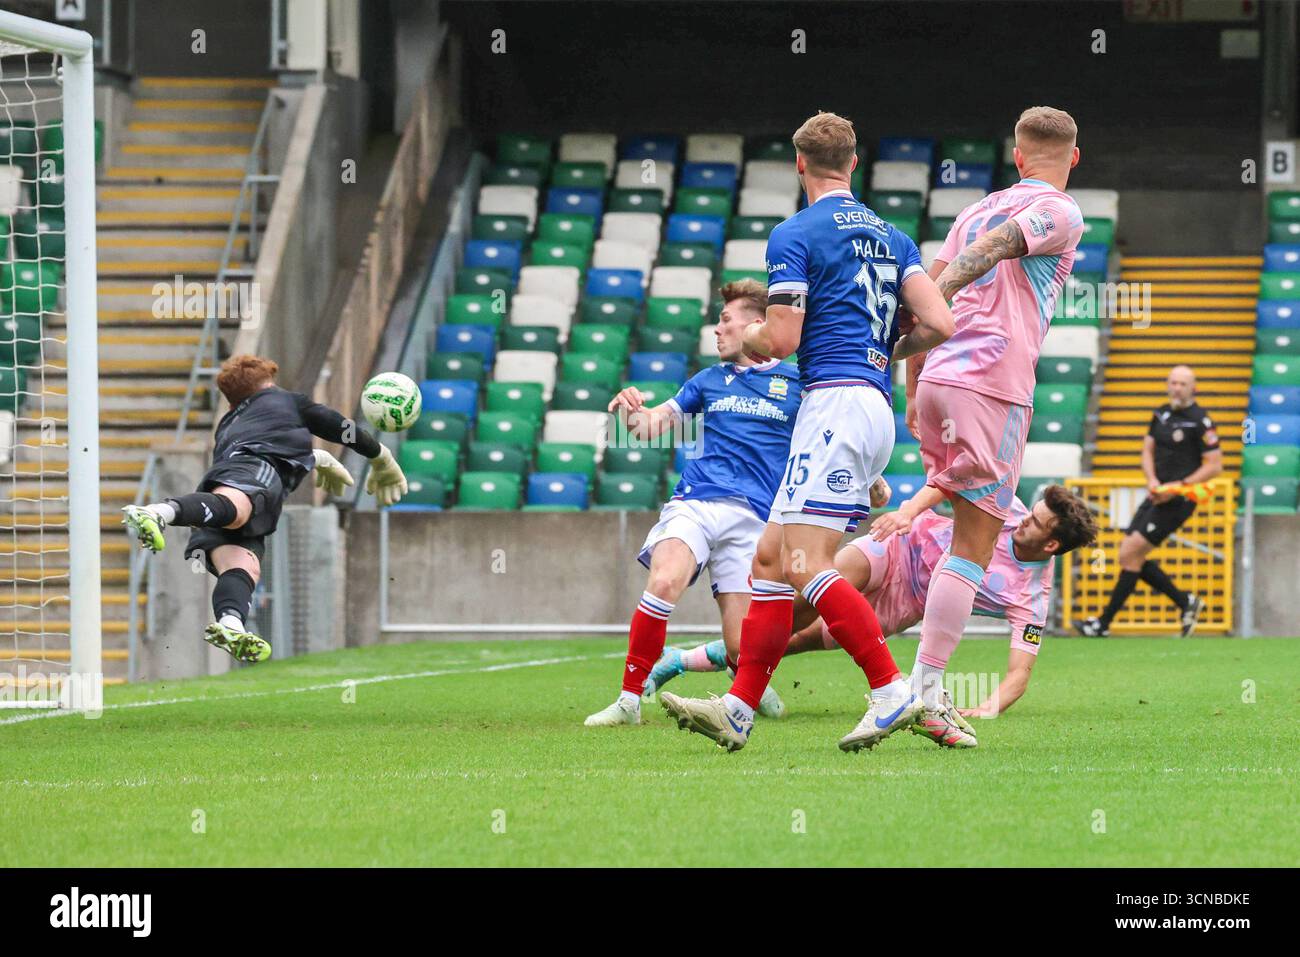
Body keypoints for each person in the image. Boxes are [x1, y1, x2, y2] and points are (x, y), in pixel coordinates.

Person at [659, 110, 955, 752]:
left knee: (805, 562)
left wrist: (756, 342)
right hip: (868, 403)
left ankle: (890, 690)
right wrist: (881, 353)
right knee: (770, 559)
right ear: (854, 163)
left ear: (800, 165)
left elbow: (785, 336)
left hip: (834, 406)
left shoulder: (795, 233)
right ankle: (738, 709)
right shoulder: (892, 236)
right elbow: (939, 324)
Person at [899, 106, 1085, 746]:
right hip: (994, 383)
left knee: (956, 532)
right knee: (972, 550)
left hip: (941, 382)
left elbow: (923, 301)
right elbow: (992, 251)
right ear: (1073, 158)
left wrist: (911, 379)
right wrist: (949, 289)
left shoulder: (971, 209)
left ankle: (905, 687)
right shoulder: (1062, 211)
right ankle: (922, 693)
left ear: (1016, 154)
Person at [652, 485, 1098, 743]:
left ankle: (688, 658)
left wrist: (986, 709)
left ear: (1052, 544)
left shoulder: (1032, 594)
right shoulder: (1006, 506)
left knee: (796, 640)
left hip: (903, 605)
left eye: (1035, 524)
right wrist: (908, 512)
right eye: (1031, 513)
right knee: (810, 594)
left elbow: (1020, 673)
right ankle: (741, 682)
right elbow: (951, 480)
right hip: (897, 548)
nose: (1023, 521)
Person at [584, 281, 800, 726]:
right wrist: (629, 409)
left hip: (755, 520)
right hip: (696, 504)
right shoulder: (707, 381)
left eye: (725, 320)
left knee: (743, 647)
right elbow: (648, 428)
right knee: (665, 582)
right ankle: (628, 703)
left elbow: (828, 438)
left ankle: (734, 677)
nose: (716, 330)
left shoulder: (798, 384)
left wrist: (871, 480)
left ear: (758, 325)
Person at [121, 354, 407, 661]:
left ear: (231, 402)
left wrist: (317, 460)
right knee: (236, 508)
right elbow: (340, 427)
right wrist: (381, 457)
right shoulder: (285, 400)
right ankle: (157, 513)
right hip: (249, 475)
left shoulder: (230, 422)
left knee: (243, 567)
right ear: (267, 382)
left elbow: (276, 441)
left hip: (225, 487)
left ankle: (230, 624)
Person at [1077, 364, 1221, 637]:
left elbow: (1214, 466)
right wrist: (1152, 480)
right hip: (1155, 494)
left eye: (1182, 384)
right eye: (1173, 382)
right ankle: (1185, 602)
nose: (1176, 388)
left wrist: (1178, 487)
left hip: (1178, 500)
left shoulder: (1201, 420)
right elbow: (1147, 450)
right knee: (1128, 555)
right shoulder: (1161, 413)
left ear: (1194, 388)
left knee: (1130, 553)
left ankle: (1102, 625)